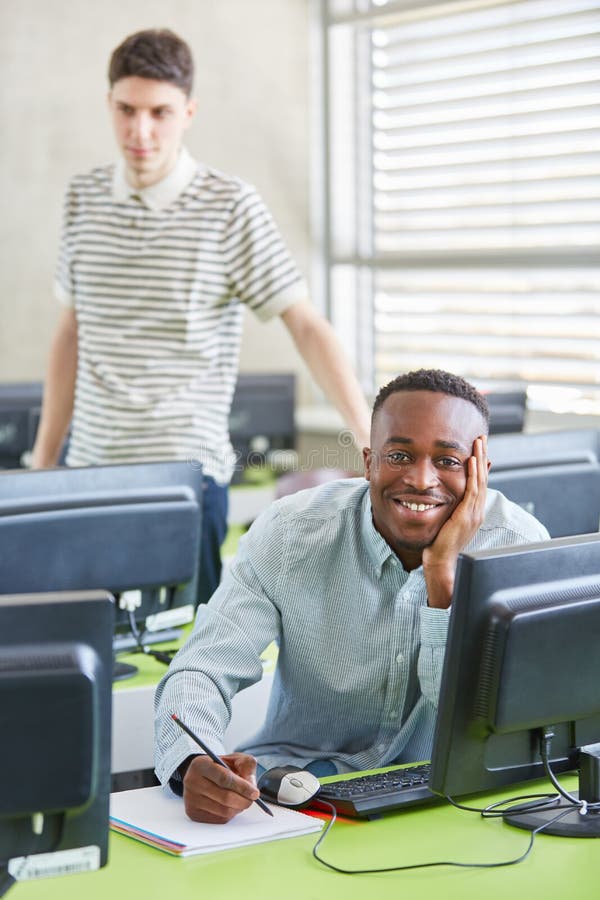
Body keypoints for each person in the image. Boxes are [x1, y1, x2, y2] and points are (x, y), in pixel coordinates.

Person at [30, 28, 371, 602]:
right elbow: (71, 333)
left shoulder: (230, 205)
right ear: (109, 105)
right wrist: (43, 462)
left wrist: (367, 436)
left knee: (191, 668)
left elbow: (306, 324)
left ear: (188, 112)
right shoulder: (82, 198)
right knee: (85, 661)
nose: (141, 131)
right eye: (127, 110)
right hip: (87, 471)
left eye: (160, 112)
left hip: (185, 477)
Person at [154, 368, 550, 824]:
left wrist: (442, 579)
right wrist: (190, 762)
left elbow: (486, 725)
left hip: (446, 805)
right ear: (369, 463)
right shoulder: (290, 532)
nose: (422, 479)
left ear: (480, 472)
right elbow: (203, 668)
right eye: (400, 455)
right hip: (292, 796)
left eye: (448, 460)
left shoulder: (516, 545)